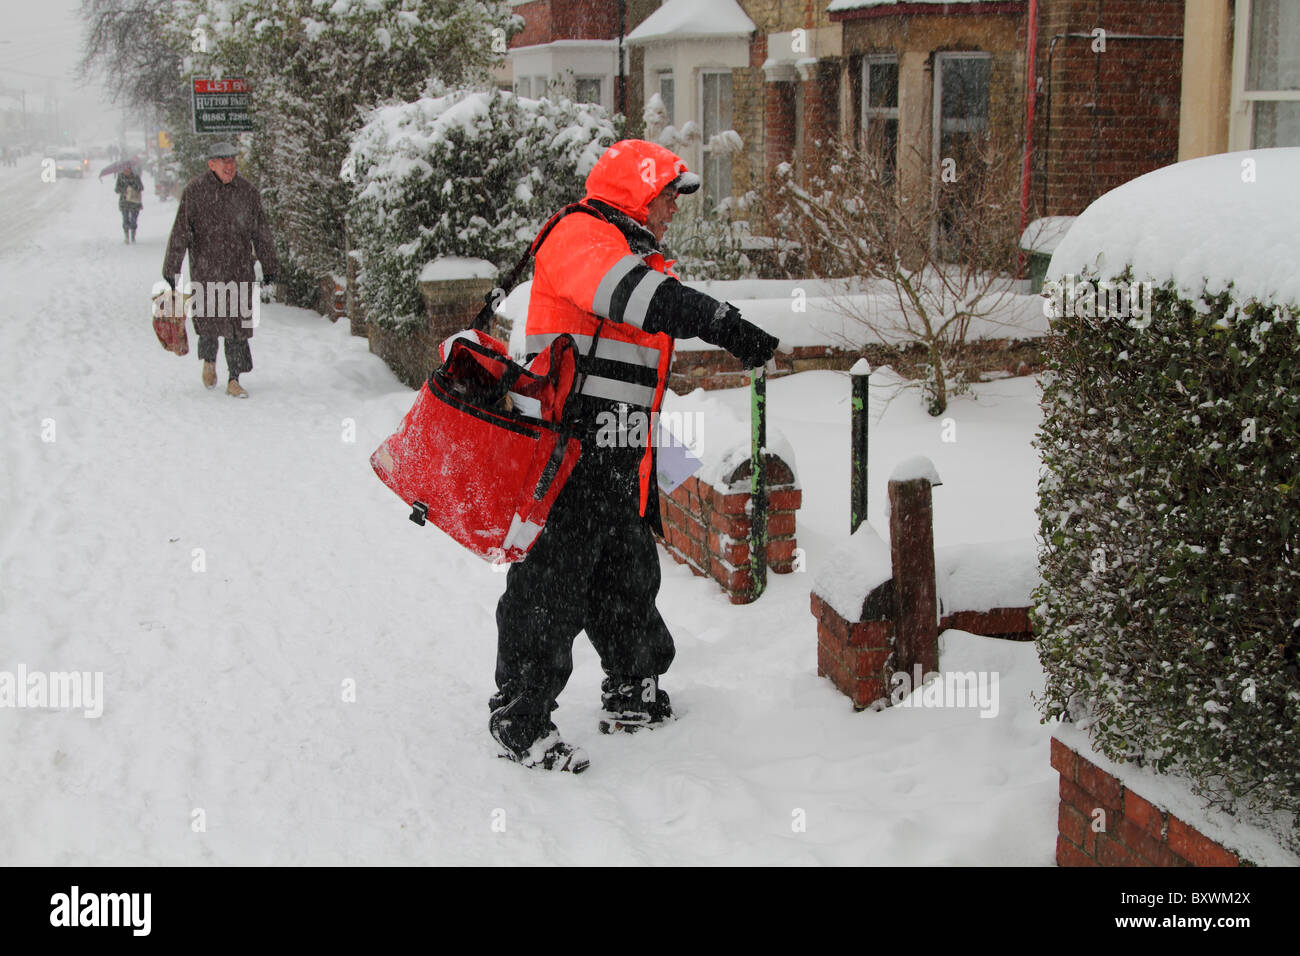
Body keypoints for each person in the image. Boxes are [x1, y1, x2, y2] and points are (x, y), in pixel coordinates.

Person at [490, 139, 779, 772]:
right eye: (667, 194)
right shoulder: (580, 235)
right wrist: (722, 322)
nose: (674, 207)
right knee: (552, 582)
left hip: (616, 448)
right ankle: (521, 715)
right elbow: (638, 298)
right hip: (567, 446)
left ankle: (633, 687)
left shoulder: (629, 251)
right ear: (635, 192)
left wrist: (657, 456)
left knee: (626, 575)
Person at [162, 141, 278, 399]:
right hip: (207, 270)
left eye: (233, 161)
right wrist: (172, 268)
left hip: (239, 271)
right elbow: (181, 231)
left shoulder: (247, 192)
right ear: (211, 164)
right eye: (224, 161)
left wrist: (269, 265)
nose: (230, 166)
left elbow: (261, 232)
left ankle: (234, 378)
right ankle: (209, 362)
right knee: (209, 323)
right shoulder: (195, 191)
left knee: (237, 328)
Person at [115, 161, 144, 243]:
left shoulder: (135, 177)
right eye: (124, 169)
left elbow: (141, 188)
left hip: (134, 202)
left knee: (134, 220)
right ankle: (126, 236)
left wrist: (133, 185)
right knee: (125, 219)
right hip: (124, 202)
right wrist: (124, 190)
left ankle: (133, 235)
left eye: (127, 169)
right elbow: (117, 189)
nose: (126, 171)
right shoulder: (120, 177)